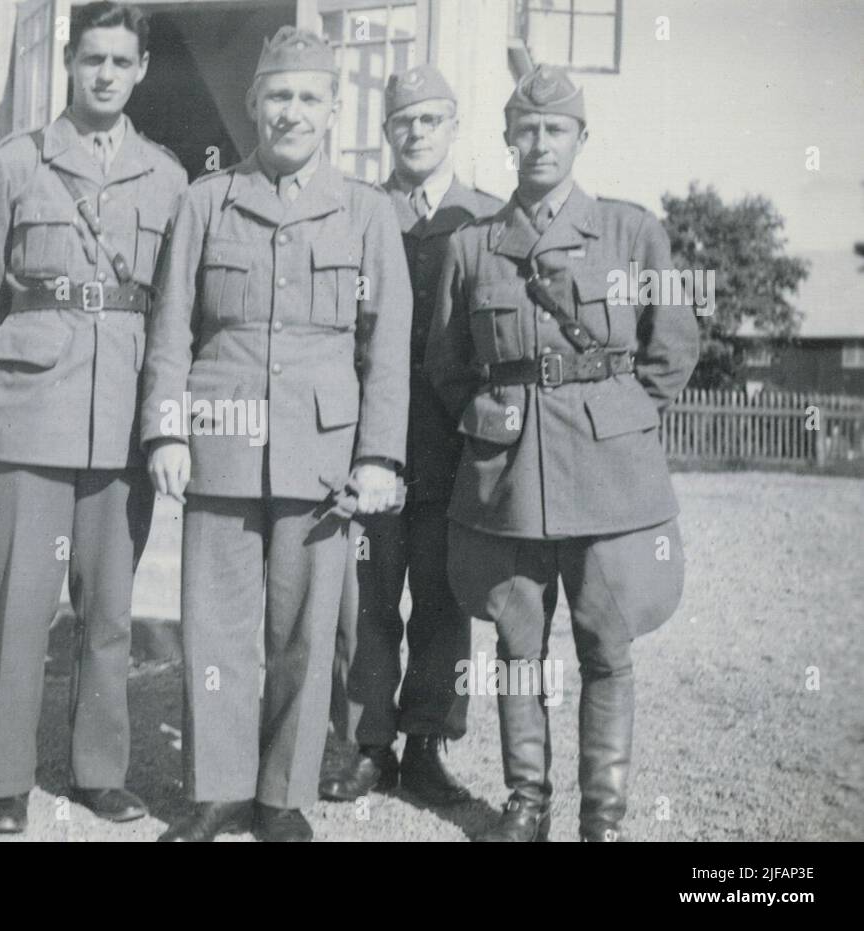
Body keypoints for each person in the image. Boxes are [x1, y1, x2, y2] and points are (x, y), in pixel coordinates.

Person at [141, 26, 412, 842]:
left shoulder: (366, 213)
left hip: (321, 452)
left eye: (308, 98)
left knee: (303, 627)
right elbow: (170, 330)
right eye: (278, 96)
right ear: (254, 104)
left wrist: (376, 456)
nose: (291, 112)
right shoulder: (204, 201)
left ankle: (281, 793)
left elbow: (385, 345)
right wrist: (166, 432)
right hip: (219, 437)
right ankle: (218, 788)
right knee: (217, 625)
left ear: (333, 112)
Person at [428, 65, 699, 841]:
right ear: (508, 139)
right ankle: (526, 801)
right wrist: (492, 422)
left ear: (582, 138)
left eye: (557, 129)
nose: (540, 142)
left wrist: (620, 417)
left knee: (605, 640)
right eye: (527, 129)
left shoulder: (632, 231)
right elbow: (447, 365)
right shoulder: (473, 245)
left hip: (610, 475)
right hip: (508, 476)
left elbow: (672, 347)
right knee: (517, 642)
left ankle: (602, 815)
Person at [0, 1, 188, 834]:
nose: (107, 75)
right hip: (28, 420)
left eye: (122, 62)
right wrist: (23, 355)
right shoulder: (15, 163)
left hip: (121, 423)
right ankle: (5, 780)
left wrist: (161, 416)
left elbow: (173, 315)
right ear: (70, 61)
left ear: (142, 69)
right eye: (93, 59)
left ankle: (98, 771)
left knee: (110, 611)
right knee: (20, 606)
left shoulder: (167, 178)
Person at [323, 64, 544, 807]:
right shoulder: (356, 210)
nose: (414, 133)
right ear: (385, 132)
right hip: (366, 439)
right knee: (365, 596)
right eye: (401, 122)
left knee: (444, 599)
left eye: (429, 119)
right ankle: (365, 743)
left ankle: (426, 743)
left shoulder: (484, 219)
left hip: (451, 442)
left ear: (453, 126)